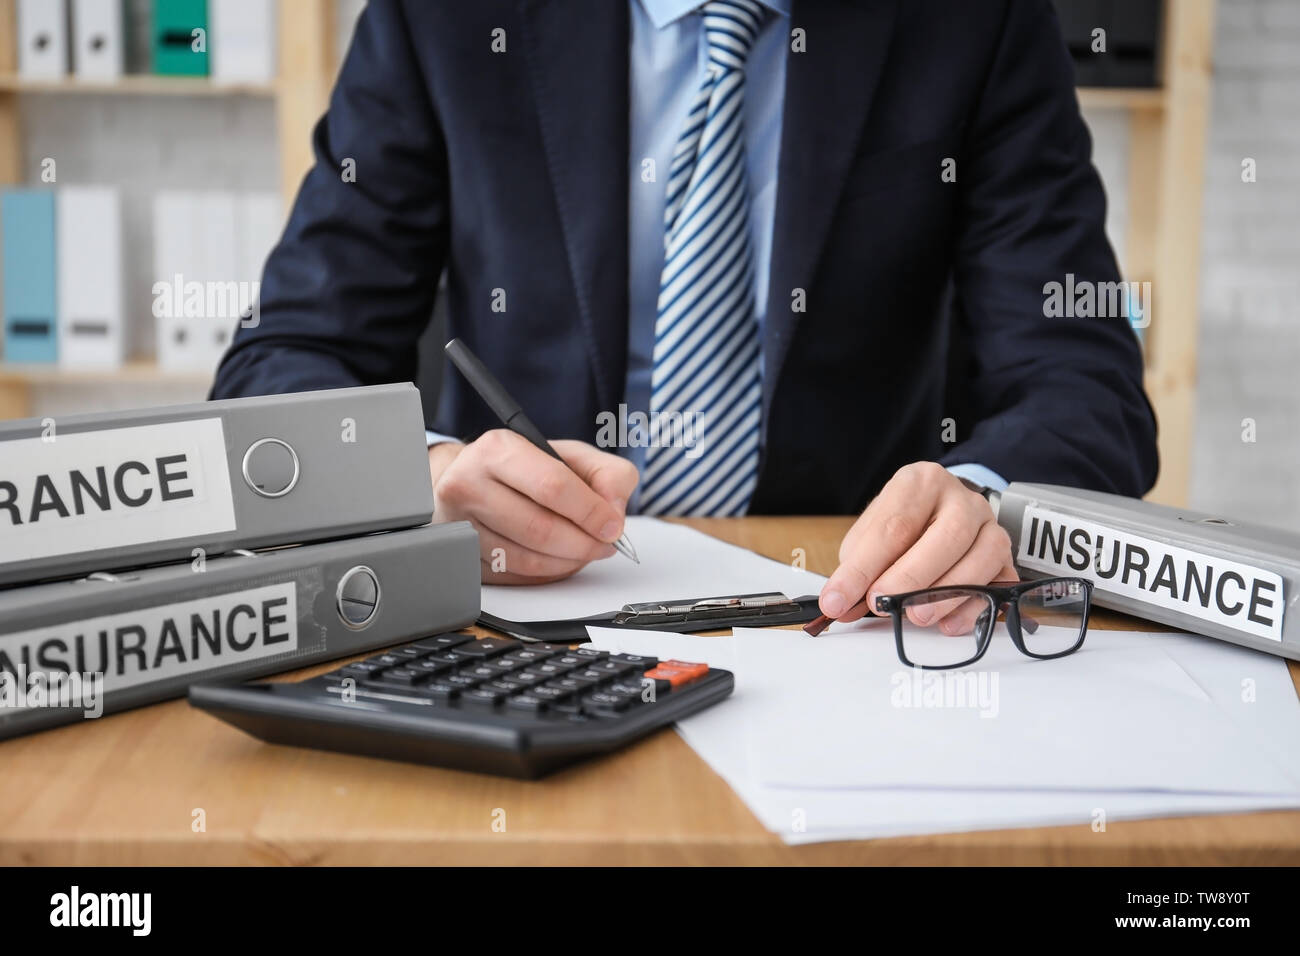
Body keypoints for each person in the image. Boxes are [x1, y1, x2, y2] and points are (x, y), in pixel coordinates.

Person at [211, 0, 1158, 629]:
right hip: (520, 627)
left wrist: (980, 503)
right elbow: (284, 361)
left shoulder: (976, 19)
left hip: (849, 618)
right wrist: (419, 482)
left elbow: (1083, 377)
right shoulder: (444, 15)